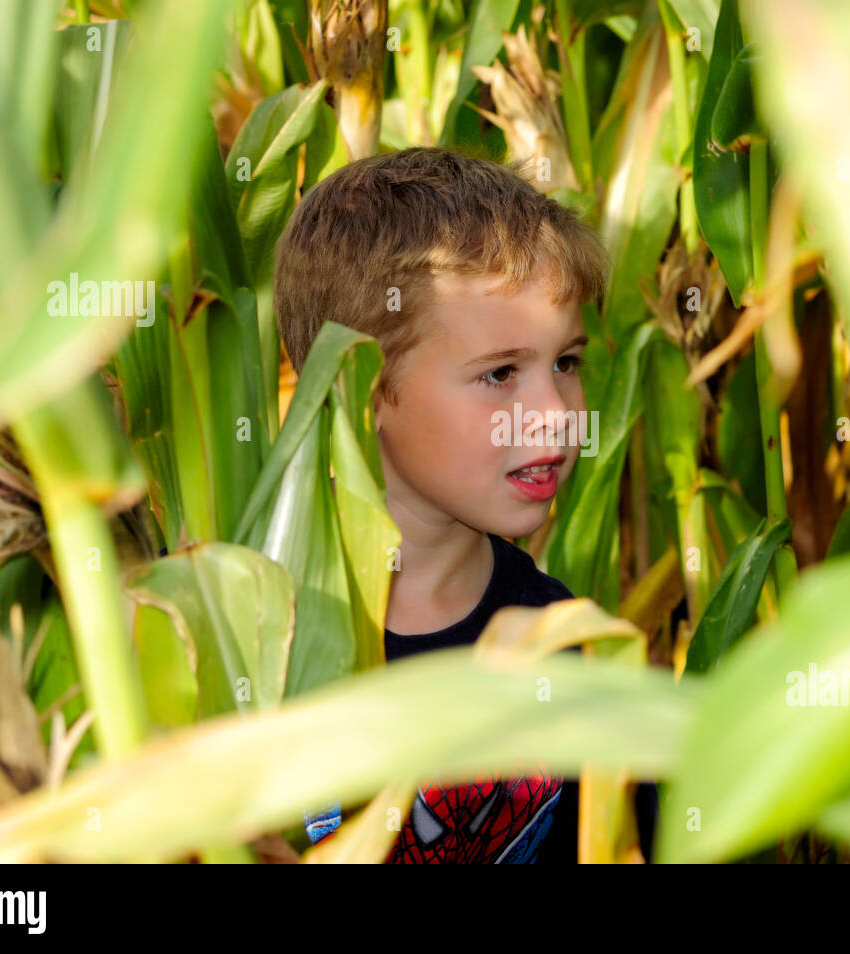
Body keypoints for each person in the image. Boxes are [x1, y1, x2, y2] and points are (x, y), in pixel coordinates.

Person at [274, 146, 658, 863]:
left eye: (566, 364)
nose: (554, 415)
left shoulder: (574, 652)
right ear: (361, 384)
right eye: (501, 373)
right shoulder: (250, 642)